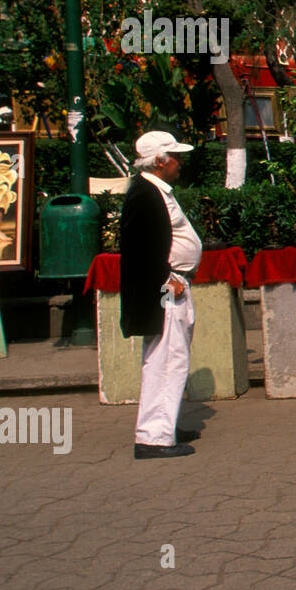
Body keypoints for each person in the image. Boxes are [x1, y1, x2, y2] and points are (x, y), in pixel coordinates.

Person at [120, 131, 202, 460]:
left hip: (171, 286)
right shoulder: (144, 194)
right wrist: (167, 279)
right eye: (175, 156)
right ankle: (154, 436)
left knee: (171, 357)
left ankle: (164, 424)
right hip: (166, 290)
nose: (180, 162)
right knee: (166, 360)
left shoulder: (153, 190)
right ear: (160, 161)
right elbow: (138, 248)